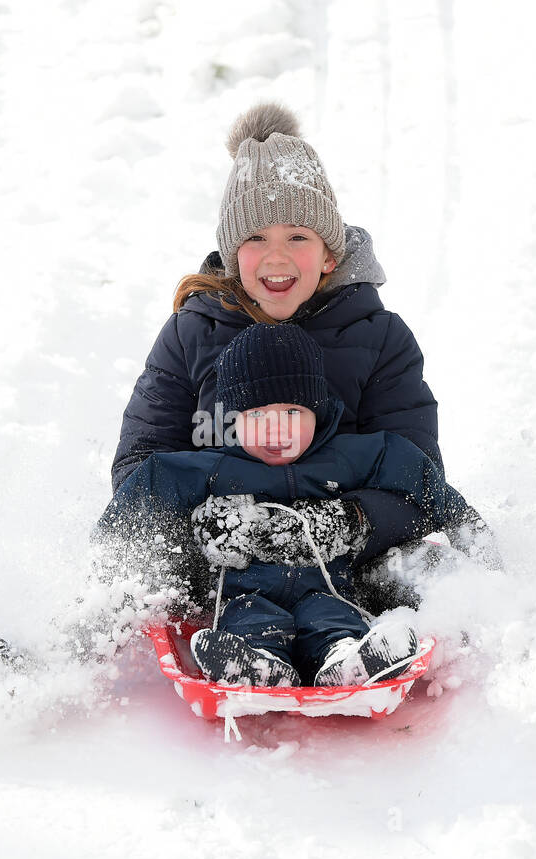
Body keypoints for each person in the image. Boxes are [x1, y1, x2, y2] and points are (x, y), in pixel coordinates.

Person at [110, 102, 501, 598]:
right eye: (255, 237)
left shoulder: (378, 338)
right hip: (222, 569)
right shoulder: (192, 334)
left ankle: (529, 657)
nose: (277, 256)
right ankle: (46, 664)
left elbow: (418, 475)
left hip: (351, 569)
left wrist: (348, 522)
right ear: (233, 253)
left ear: (329, 254)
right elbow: (138, 468)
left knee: (431, 567)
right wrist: (211, 526)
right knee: (132, 572)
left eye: (298, 236)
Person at [98, 321, 474, 687]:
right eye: (258, 415)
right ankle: (257, 662)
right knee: (249, 618)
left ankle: (345, 660)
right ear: (233, 418)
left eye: (292, 413)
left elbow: (423, 480)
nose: (276, 430)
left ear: (318, 411)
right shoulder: (212, 468)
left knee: (332, 617)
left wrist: (470, 531)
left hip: (326, 586)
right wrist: (116, 557)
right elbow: (144, 491)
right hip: (246, 589)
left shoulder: (347, 457)